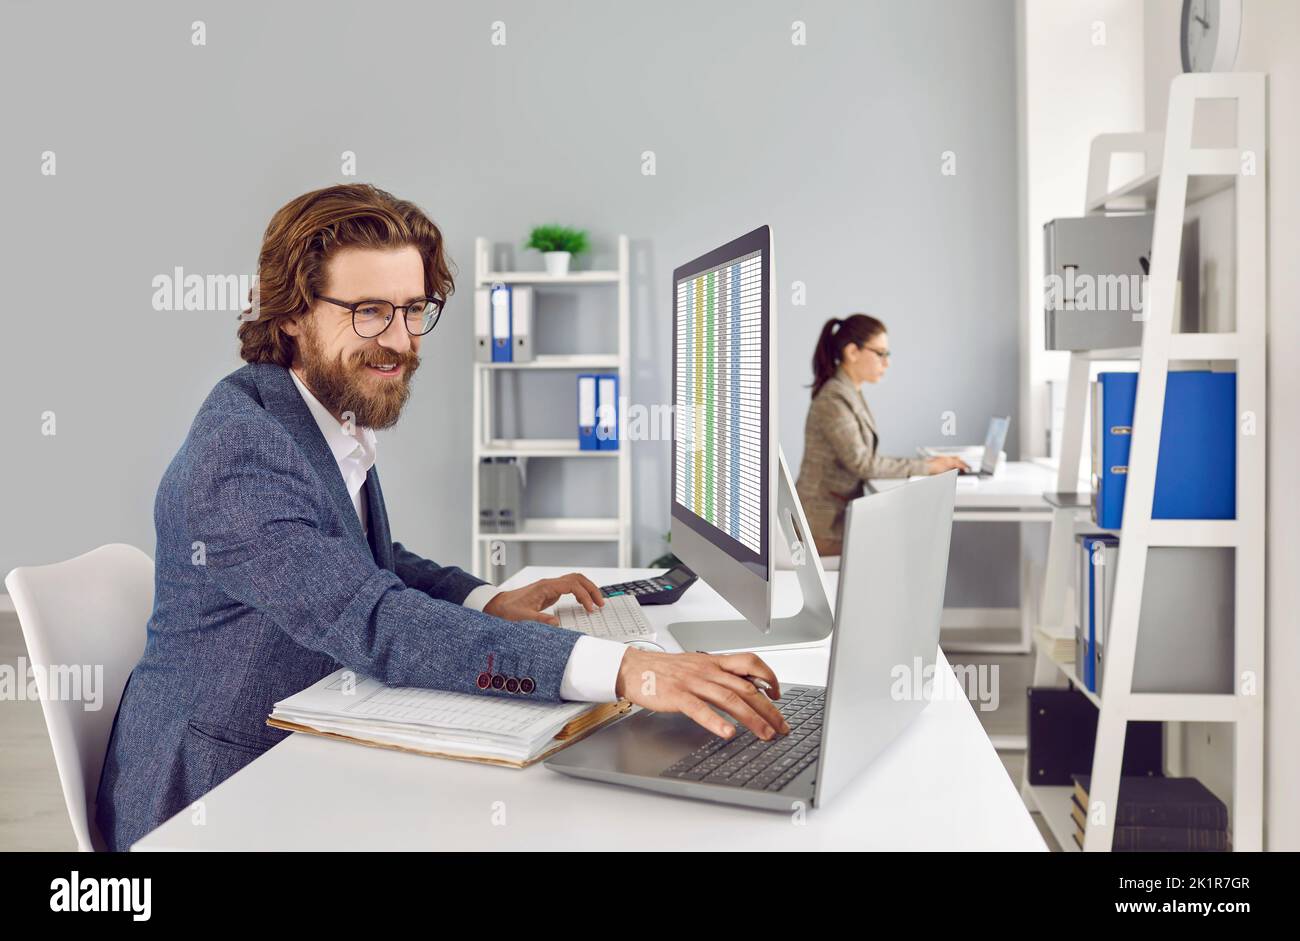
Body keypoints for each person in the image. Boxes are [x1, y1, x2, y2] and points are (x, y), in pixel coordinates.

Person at [96, 184, 787, 850]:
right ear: (291, 315)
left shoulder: (317, 411)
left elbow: (362, 556)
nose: (398, 339)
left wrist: (484, 597)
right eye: (368, 310)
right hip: (212, 795)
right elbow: (375, 618)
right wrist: (628, 670)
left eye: (413, 309)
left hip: (300, 744)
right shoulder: (242, 451)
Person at [795, 314, 967, 557]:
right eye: (880, 353)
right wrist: (926, 468)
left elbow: (866, 458)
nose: (886, 363)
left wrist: (927, 464)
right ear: (852, 352)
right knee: (905, 549)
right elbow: (863, 464)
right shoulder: (834, 399)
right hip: (821, 530)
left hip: (833, 521)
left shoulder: (849, 392)